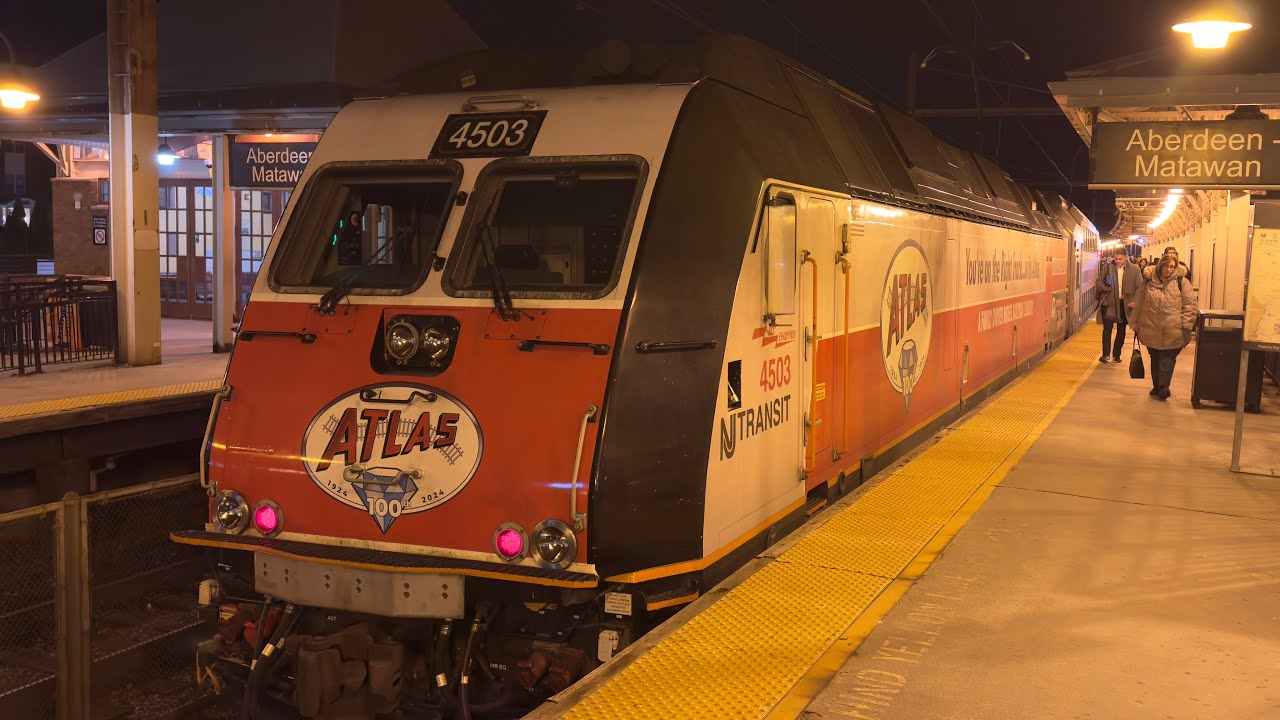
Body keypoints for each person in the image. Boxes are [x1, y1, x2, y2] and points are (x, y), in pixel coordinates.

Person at [1131, 255, 1199, 400]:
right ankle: (1157, 387)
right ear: (1160, 266)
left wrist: (1186, 325)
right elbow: (1139, 302)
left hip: (1173, 329)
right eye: (1166, 266)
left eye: (1172, 267)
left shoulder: (1182, 282)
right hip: (1150, 327)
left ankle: (1163, 387)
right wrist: (1135, 322)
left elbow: (1190, 305)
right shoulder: (1148, 282)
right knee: (1155, 357)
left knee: (1167, 359)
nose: (1169, 269)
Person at [1094, 247, 1139, 363]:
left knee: (1121, 330)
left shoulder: (1135, 270)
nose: (1118, 261)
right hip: (1109, 303)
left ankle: (1116, 354)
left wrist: (1135, 301)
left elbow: (1140, 288)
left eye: (1120, 259)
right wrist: (1103, 287)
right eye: (1116, 259)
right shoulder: (1107, 268)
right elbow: (1098, 282)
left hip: (1124, 304)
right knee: (1107, 329)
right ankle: (1105, 355)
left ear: (1126, 257)